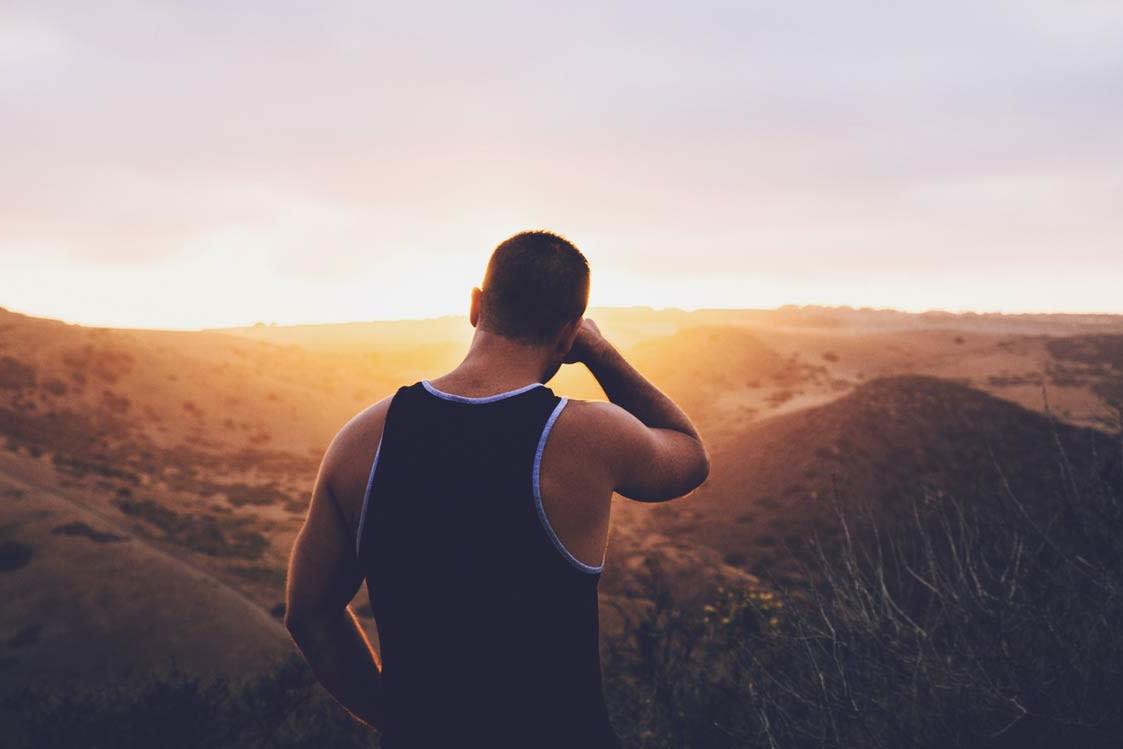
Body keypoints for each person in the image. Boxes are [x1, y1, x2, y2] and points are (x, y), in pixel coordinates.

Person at [284, 230, 711, 748]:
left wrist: (402, 722)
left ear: (475, 305)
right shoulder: (586, 438)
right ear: (567, 335)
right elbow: (688, 453)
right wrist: (600, 352)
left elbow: (309, 612)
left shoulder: (361, 441)